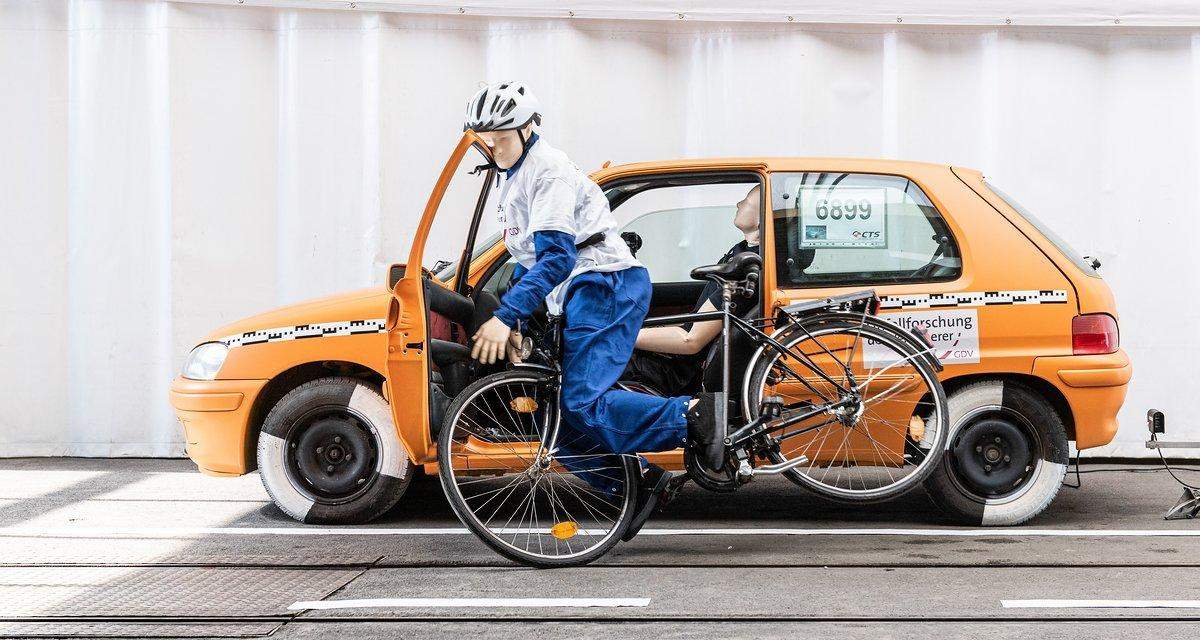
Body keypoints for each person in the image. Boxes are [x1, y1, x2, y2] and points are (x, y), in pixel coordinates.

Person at [462, 81, 723, 539]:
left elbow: (557, 258)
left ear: (526, 130)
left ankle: (693, 415)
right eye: (486, 138)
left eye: (500, 137)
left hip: (604, 284)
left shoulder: (548, 174)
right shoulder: (514, 175)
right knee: (558, 421)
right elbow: (527, 263)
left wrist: (503, 317)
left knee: (583, 402)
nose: (492, 147)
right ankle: (641, 484)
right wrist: (520, 320)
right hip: (578, 292)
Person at [623, 186, 762, 396]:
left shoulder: (745, 270)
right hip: (674, 360)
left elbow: (690, 340)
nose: (738, 204)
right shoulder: (742, 252)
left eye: (746, 201)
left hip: (677, 370)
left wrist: (621, 335)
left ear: (760, 219)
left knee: (594, 361)